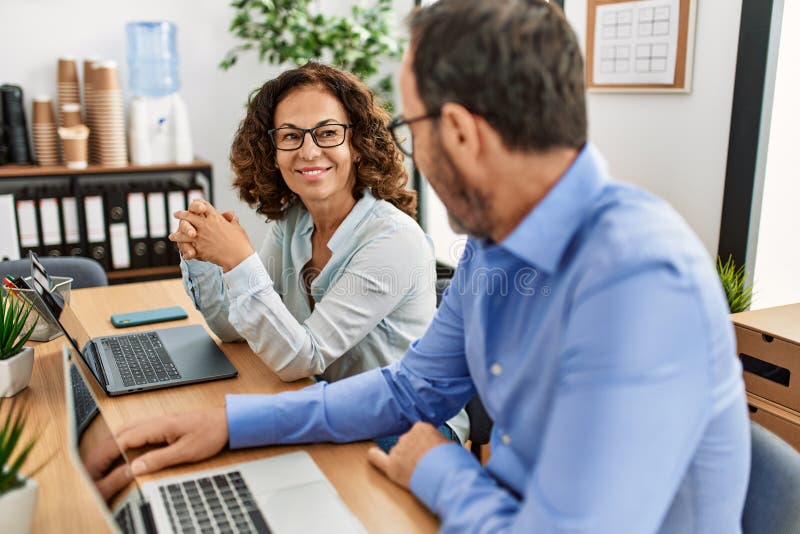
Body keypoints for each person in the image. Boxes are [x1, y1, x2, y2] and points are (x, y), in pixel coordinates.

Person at [117, 1, 750, 531]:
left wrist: (441, 470)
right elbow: (410, 389)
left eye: (411, 125)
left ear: (460, 132)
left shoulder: (638, 281)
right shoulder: (496, 245)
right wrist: (231, 422)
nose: (405, 148)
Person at [168, 62, 468, 445]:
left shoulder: (394, 240)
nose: (308, 151)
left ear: (357, 145)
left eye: (327, 133)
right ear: (272, 152)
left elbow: (300, 359)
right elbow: (234, 330)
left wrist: (239, 261)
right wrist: (204, 258)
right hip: (327, 408)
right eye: (290, 136)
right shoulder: (293, 222)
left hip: (408, 428)